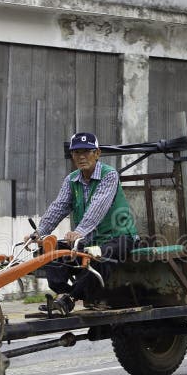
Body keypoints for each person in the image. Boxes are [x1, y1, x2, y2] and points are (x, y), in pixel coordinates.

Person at [29, 131, 138, 314]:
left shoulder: (109, 175)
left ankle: (70, 298)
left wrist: (79, 232)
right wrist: (39, 233)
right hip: (88, 239)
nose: (81, 156)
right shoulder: (71, 180)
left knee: (98, 254)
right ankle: (63, 296)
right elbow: (58, 208)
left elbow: (98, 207)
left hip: (118, 237)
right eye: (76, 152)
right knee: (49, 250)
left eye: (87, 151)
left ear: (97, 153)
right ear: (72, 156)